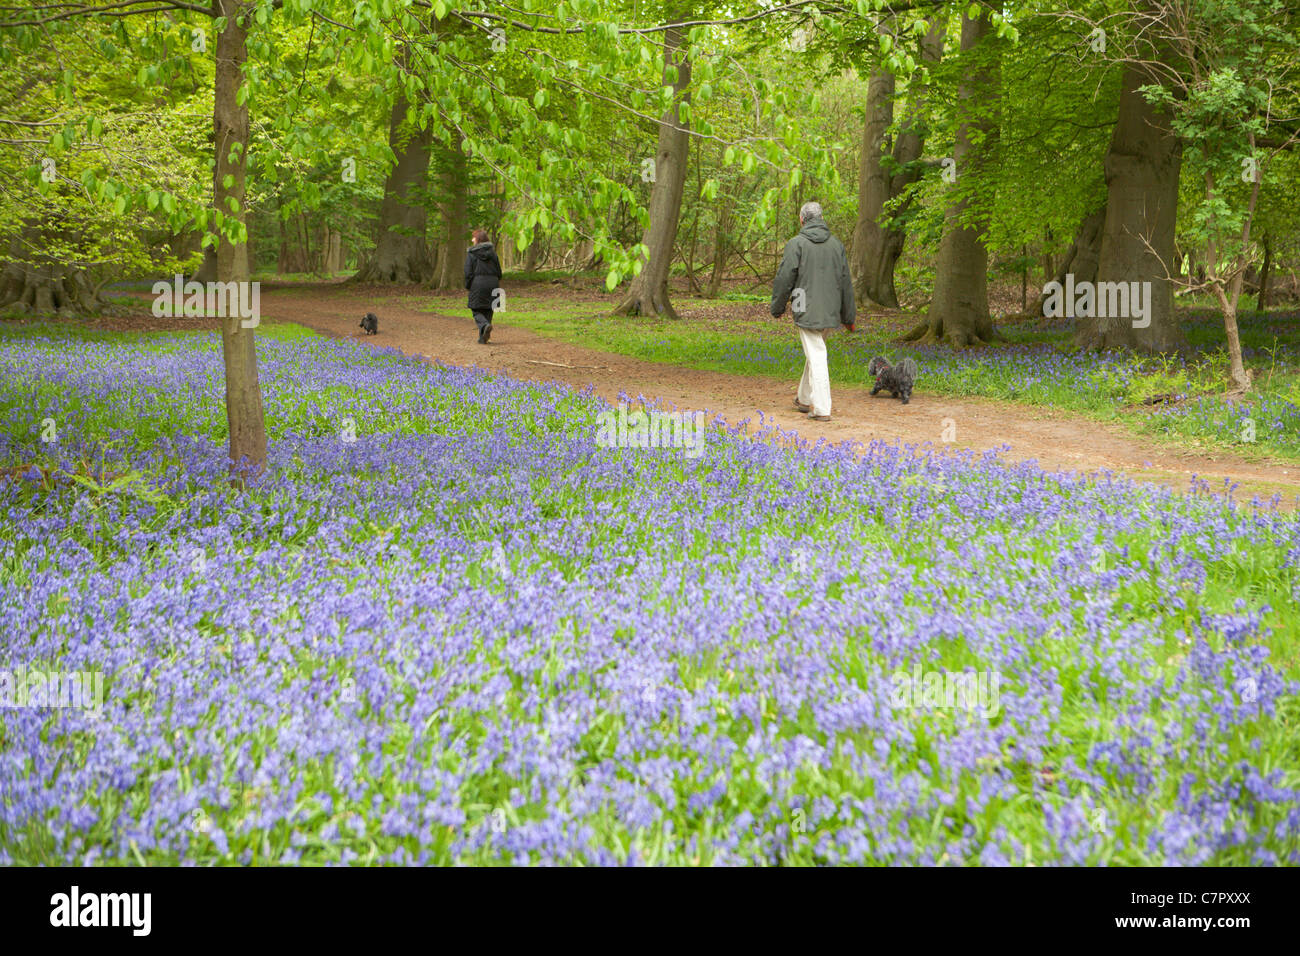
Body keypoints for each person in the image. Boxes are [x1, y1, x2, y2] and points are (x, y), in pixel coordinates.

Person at [770, 201, 855, 422]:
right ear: (821, 219)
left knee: (816, 354)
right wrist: (848, 317)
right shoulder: (837, 245)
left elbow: (784, 278)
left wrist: (777, 307)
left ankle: (822, 408)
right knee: (815, 351)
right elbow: (846, 282)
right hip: (831, 309)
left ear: (802, 220)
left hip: (804, 306)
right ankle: (804, 398)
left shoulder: (795, 244)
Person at [464, 228, 503, 345]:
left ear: (478, 239)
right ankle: (483, 337)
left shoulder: (472, 254)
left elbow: (468, 272)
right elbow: (499, 272)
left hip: (478, 282)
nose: (472, 240)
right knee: (489, 308)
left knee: (476, 309)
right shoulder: (493, 253)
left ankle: (485, 326)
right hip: (493, 283)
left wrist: (468, 285)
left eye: (473, 237)